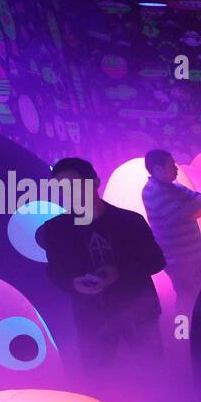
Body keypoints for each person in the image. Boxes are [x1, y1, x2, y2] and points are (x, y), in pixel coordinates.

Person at [36, 157, 166, 374]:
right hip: (92, 319)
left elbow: (156, 261)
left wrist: (119, 273)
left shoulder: (129, 221)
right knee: (98, 380)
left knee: (152, 374)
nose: (70, 193)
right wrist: (73, 283)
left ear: (95, 182)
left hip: (138, 315)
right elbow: (55, 272)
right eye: (62, 187)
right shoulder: (56, 229)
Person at [141, 149, 201, 315]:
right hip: (178, 259)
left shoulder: (176, 187)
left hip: (196, 254)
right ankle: (182, 335)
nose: (176, 168)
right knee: (187, 298)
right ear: (157, 169)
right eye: (171, 165)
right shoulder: (153, 192)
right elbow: (191, 214)